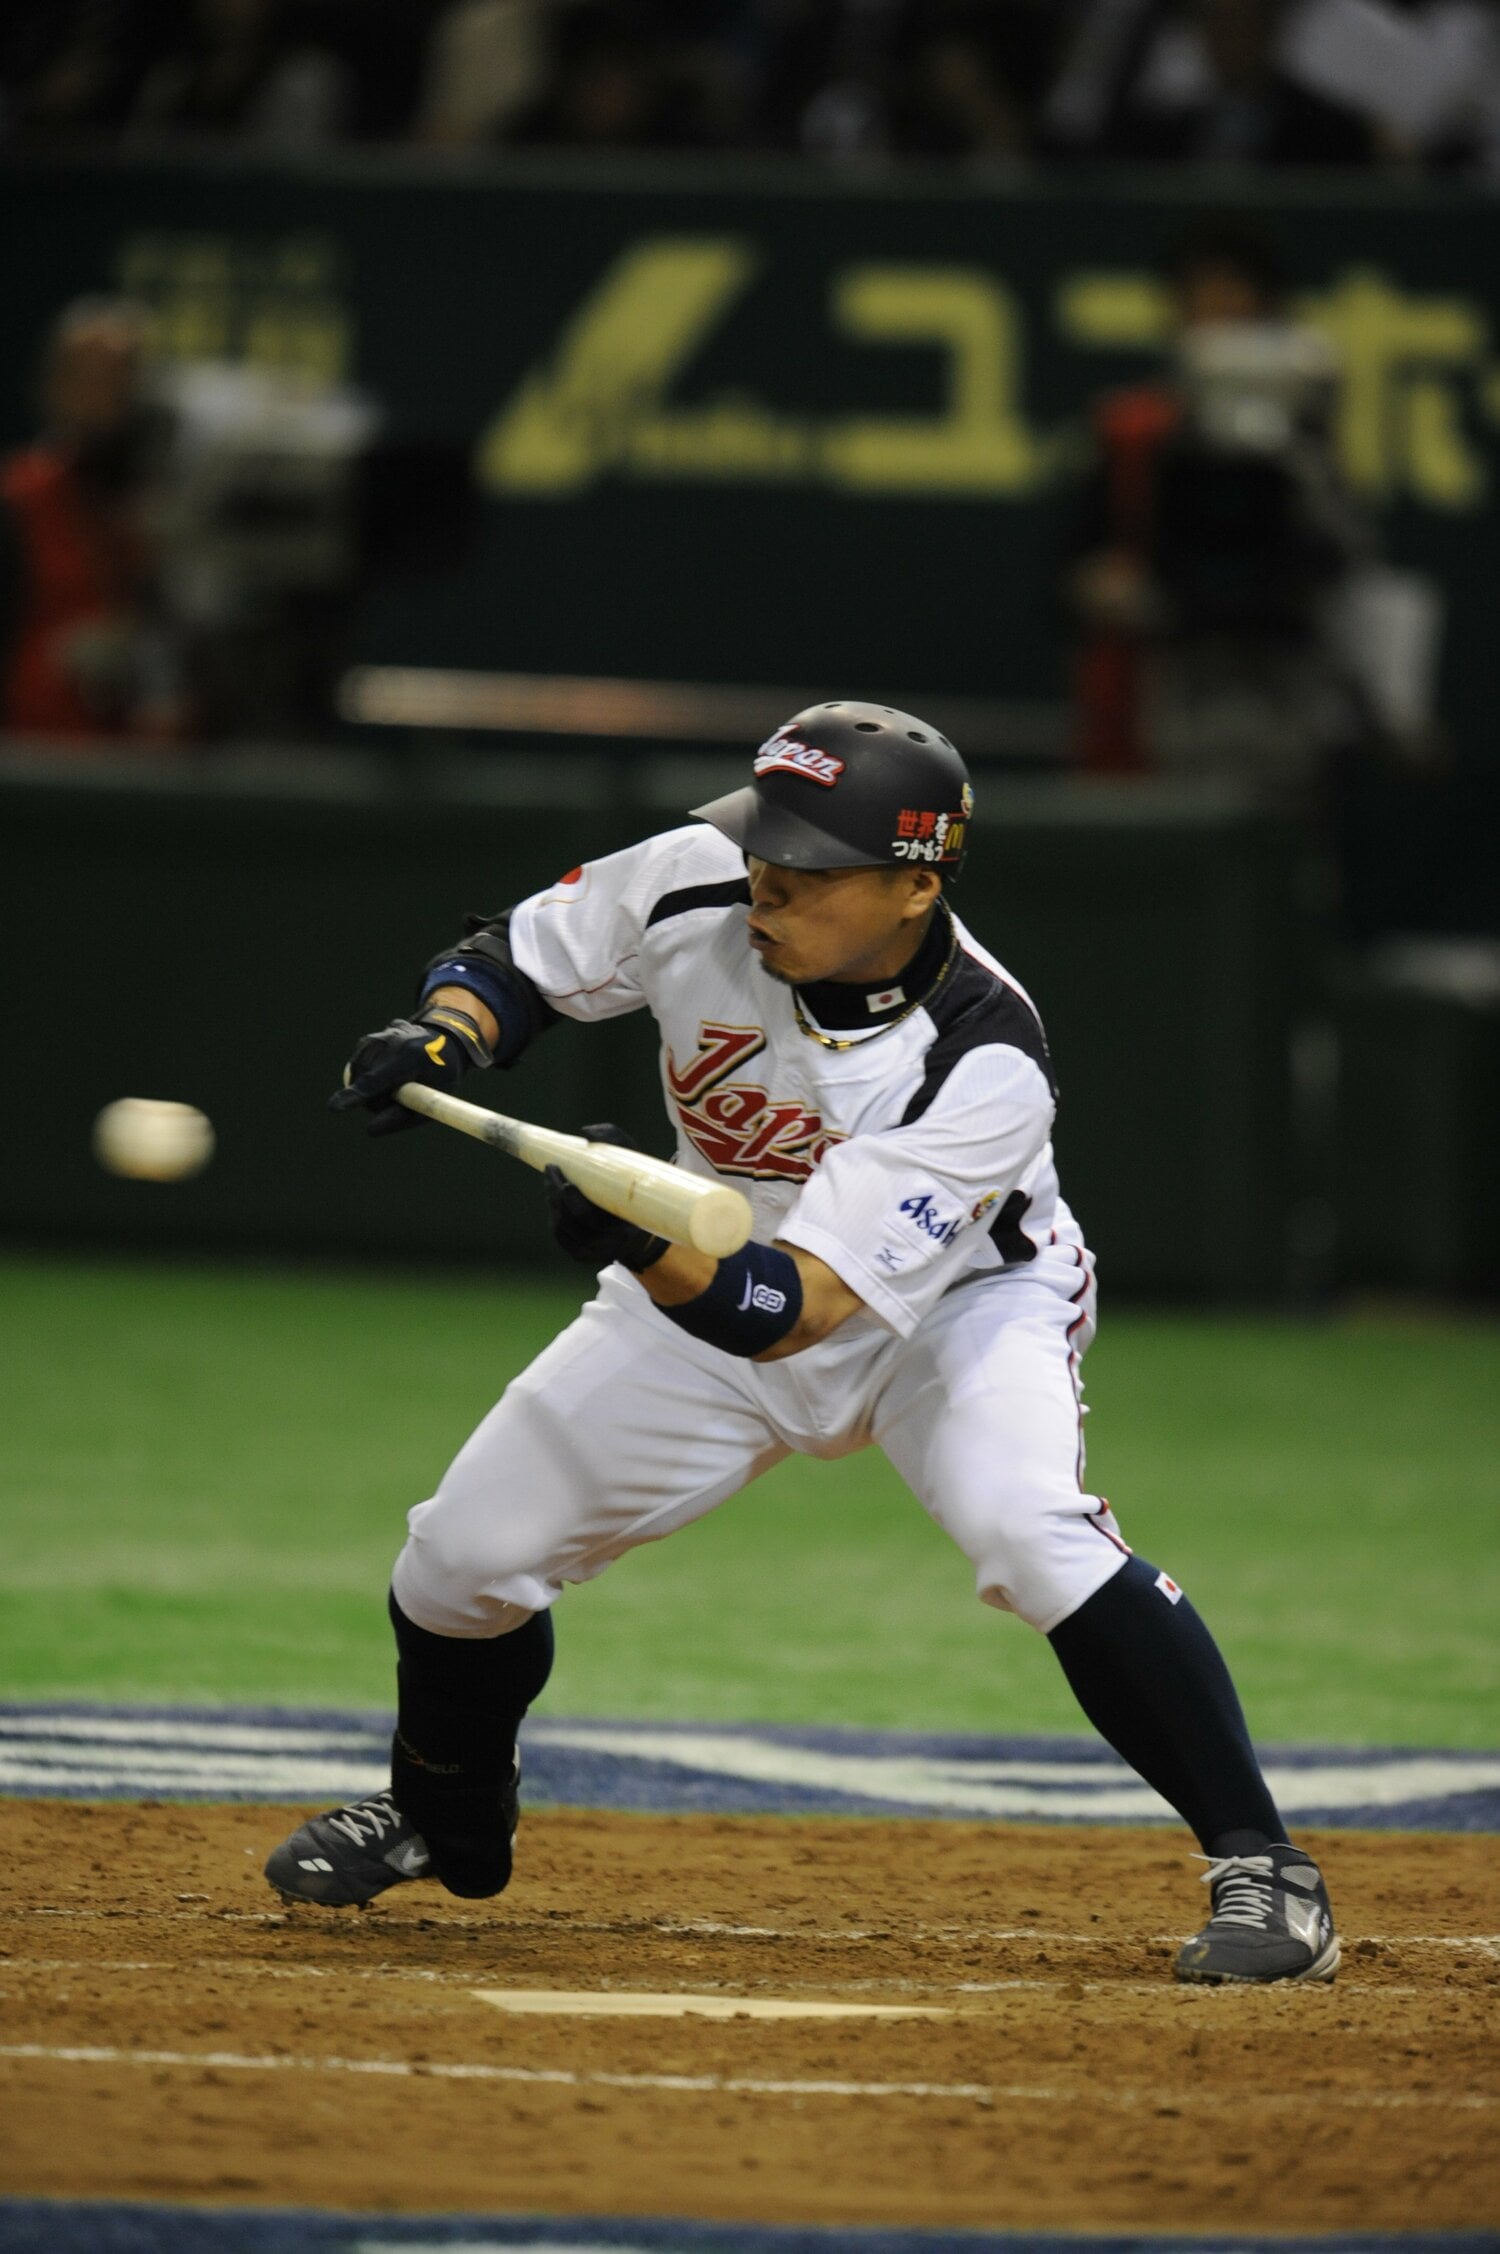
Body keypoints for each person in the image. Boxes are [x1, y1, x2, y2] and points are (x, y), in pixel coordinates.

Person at [266, 701, 1339, 1986]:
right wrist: (450, 1031)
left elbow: (799, 1315)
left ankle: (1267, 1869)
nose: (764, 889)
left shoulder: (982, 1058)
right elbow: (519, 960)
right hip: (709, 1280)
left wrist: (630, 1239)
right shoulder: (703, 879)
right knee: (458, 1560)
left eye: (808, 870)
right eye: (763, 852)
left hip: (950, 1312)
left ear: (913, 885)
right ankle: (443, 1818)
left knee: (1029, 1531)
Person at [0, 297, 182, 742]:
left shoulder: (176, 507)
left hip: (153, 767)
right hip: (36, 759)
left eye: (124, 379)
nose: (109, 398)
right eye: (91, 379)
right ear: (55, 386)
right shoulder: (17, 498)